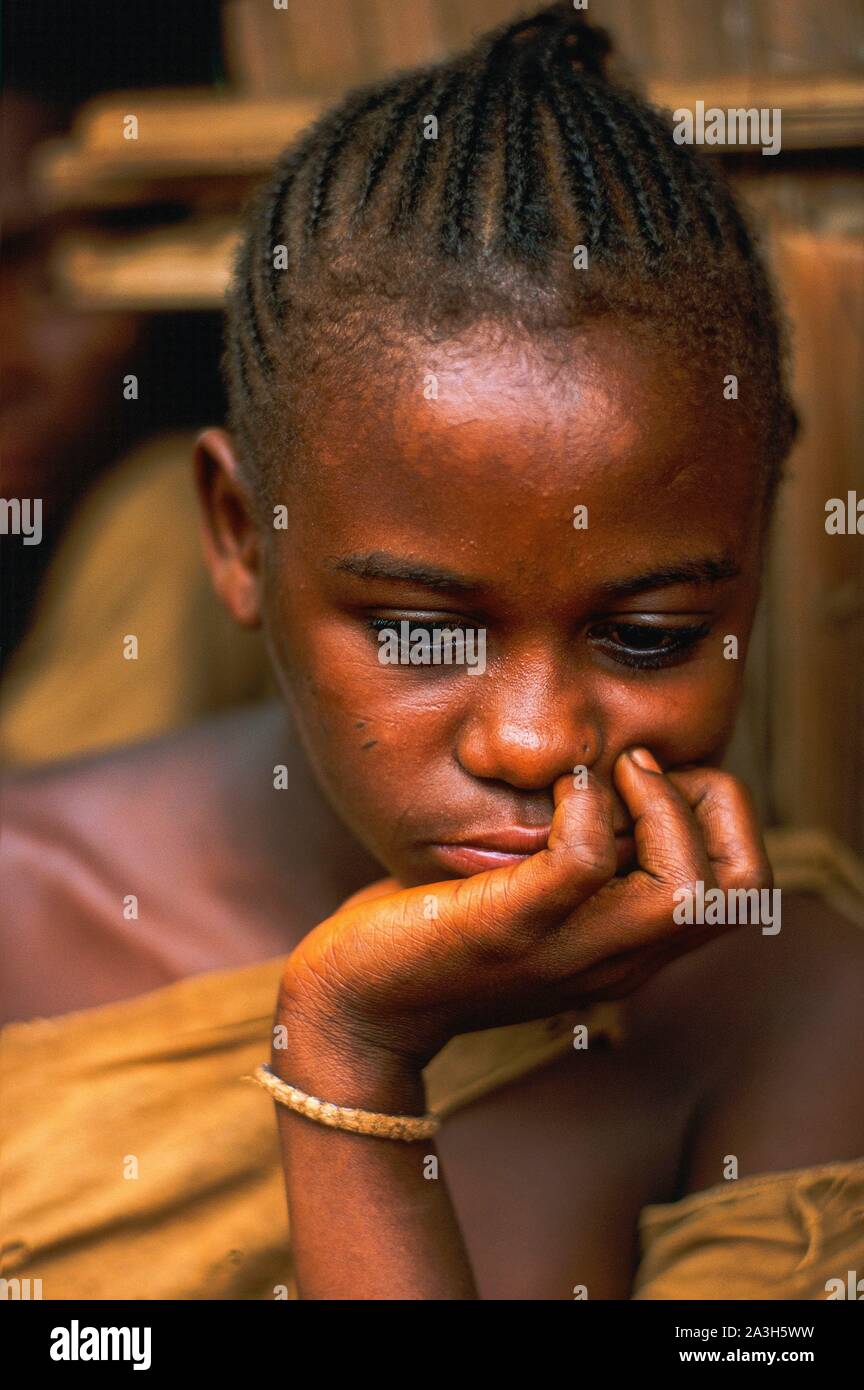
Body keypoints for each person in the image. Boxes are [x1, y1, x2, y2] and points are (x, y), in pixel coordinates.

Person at [2, 3, 862, 1301]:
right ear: (241, 538)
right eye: (418, 630)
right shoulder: (21, 924)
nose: (532, 739)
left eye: (650, 634)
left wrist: (348, 1056)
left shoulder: (785, 1000)